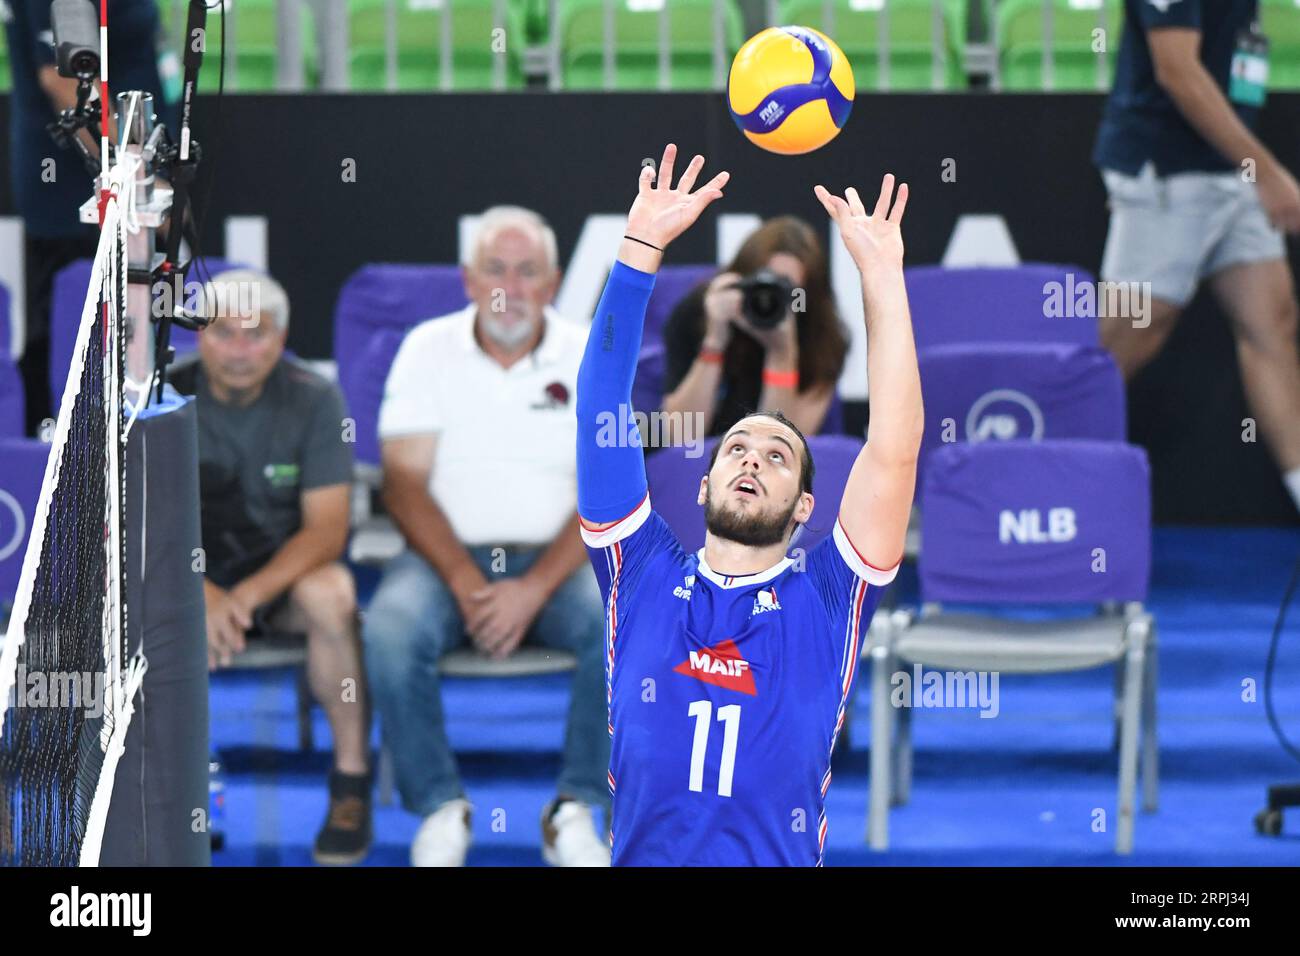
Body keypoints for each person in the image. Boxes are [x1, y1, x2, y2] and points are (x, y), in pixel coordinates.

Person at [576, 144, 921, 865]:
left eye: (777, 456)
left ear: (804, 507)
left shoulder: (831, 594)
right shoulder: (635, 570)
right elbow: (599, 405)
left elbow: (893, 447)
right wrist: (640, 249)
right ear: (700, 486)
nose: (753, 461)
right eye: (735, 448)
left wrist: (882, 276)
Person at [363, 206, 611, 867]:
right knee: (389, 628)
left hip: (563, 563)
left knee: (624, 619)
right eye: (495, 270)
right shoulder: (425, 347)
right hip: (444, 562)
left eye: (528, 272)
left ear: (553, 282)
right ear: (468, 280)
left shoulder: (591, 352)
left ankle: (577, 807)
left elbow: (607, 490)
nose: (511, 287)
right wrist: (469, 581)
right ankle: (441, 806)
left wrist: (530, 589)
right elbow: (404, 485)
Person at [169, 269, 372, 866]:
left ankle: (351, 782)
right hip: (185, 581)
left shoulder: (315, 398)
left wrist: (245, 597)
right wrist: (199, 591)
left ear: (281, 339)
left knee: (333, 593)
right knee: (123, 600)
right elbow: (137, 522)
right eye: (223, 332)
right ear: (198, 336)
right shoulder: (161, 398)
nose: (238, 349)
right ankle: (165, 790)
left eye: (254, 334)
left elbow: (328, 531)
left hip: (277, 585)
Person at [1093, 0, 1300, 515]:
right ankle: (994, 487)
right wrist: (1268, 172)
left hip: (1233, 172)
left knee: (1272, 324)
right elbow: (1177, 70)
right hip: (1165, 174)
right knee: (1112, 354)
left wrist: (1252, 171)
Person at [4, 0, 174, 434]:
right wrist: (137, 178)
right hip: (75, 188)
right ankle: (55, 458)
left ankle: (131, 446)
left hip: (117, 171)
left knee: (132, 318)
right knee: (73, 322)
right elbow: (65, 81)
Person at [660, 216, 850, 441]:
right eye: (761, 284)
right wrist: (715, 341)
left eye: (787, 290)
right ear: (740, 278)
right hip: (698, 457)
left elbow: (785, 449)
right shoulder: (699, 312)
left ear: (808, 296)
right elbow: (681, 436)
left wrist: (782, 355)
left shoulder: (822, 337)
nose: (768, 299)